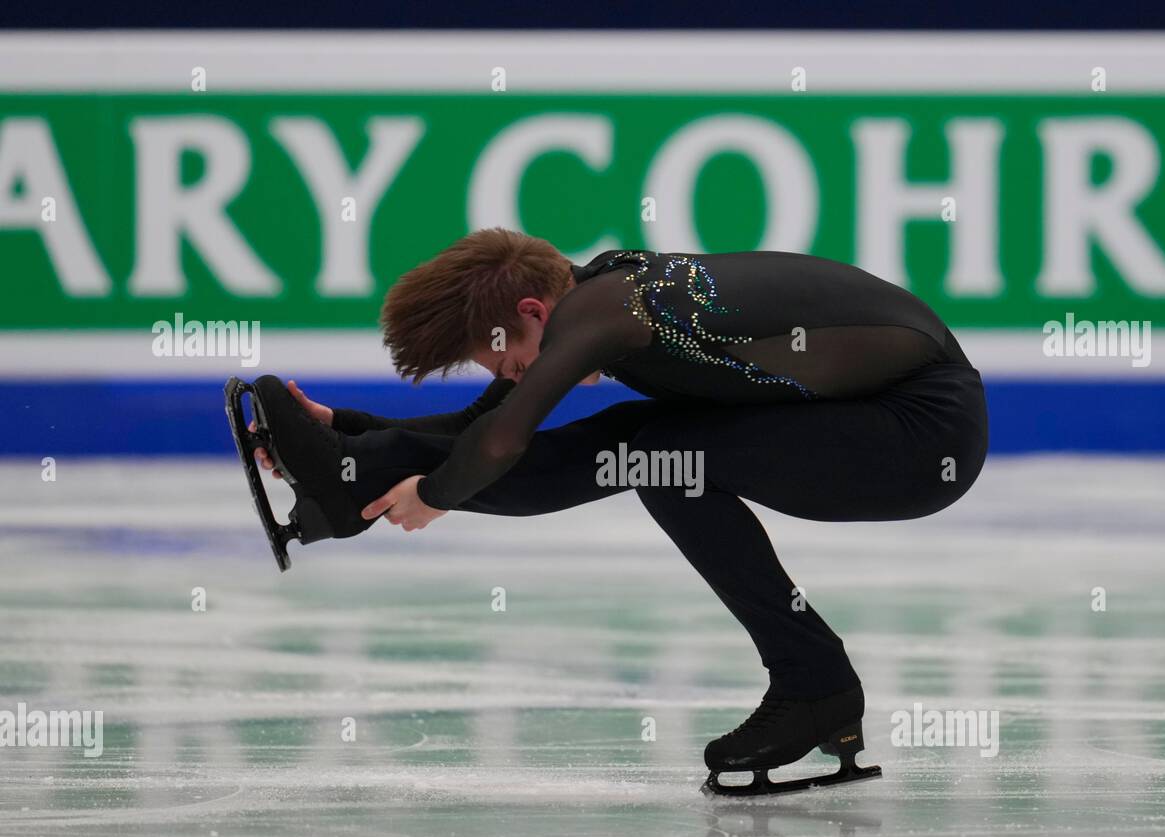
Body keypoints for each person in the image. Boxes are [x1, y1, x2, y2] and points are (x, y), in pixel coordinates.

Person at [231, 228, 988, 795]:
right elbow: (478, 427)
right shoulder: (602, 297)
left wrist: (430, 496)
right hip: (879, 419)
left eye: (502, 359)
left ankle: (815, 685)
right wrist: (347, 432)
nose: (509, 373)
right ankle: (816, 684)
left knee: (659, 457)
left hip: (921, 434)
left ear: (532, 311)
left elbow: (499, 441)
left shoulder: (606, 311)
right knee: (646, 448)